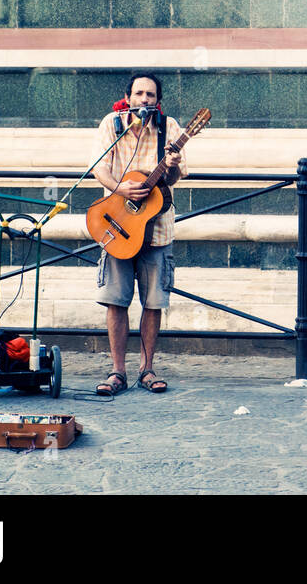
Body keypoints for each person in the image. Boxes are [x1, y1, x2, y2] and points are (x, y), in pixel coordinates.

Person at [91, 73, 187, 395]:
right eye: (138, 93)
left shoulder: (169, 128)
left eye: (150, 94)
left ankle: (147, 369)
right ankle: (117, 372)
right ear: (128, 96)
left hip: (157, 230)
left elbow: (173, 179)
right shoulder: (112, 124)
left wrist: (171, 165)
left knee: (153, 303)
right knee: (115, 302)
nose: (144, 99)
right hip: (118, 225)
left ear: (157, 100)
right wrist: (120, 187)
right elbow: (99, 167)